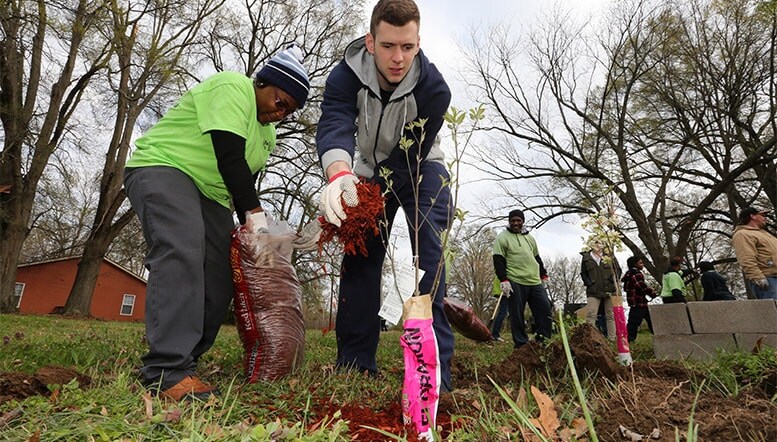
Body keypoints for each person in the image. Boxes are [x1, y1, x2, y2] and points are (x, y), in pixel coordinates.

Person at [123, 45, 310, 401]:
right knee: (183, 248)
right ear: (263, 83)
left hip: (210, 194)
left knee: (224, 273)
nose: (280, 113)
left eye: (290, 112)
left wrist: (263, 239)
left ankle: (186, 360)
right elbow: (229, 158)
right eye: (280, 101)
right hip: (165, 167)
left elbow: (243, 187)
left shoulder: (266, 136)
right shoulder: (232, 88)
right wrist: (255, 215)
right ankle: (166, 371)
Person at [313, 0, 455, 391]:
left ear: (418, 43)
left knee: (427, 257)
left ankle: (434, 371)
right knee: (360, 254)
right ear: (370, 41)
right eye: (389, 46)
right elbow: (335, 122)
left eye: (407, 47)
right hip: (368, 170)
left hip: (420, 167)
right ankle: (355, 361)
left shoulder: (434, 89)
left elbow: (410, 151)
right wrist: (340, 173)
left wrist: (372, 192)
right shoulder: (345, 75)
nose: (398, 58)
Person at [492, 209, 553, 348]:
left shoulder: (529, 238)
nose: (515, 223)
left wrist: (543, 274)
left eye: (518, 220)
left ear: (523, 221)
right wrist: (504, 280)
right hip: (515, 280)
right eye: (513, 220)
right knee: (517, 314)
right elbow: (498, 260)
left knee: (544, 308)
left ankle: (542, 340)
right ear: (509, 221)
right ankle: (521, 343)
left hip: (534, 280)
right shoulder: (502, 238)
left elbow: (536, 257)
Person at [731, 207, 777, 300]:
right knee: (772, 312)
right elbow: (746, 258)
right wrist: (758, 277)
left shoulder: (764, 233)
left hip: (774, 277)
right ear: (753, 216)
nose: (765, 218)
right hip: (767, 278)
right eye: (763, 215)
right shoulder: (743, 234)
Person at [579, 242, 621, 341]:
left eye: (600, 243)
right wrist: (589, 283)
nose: (598, 245)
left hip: (609, 290)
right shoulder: (586, 257)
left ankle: (612, 339)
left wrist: (613, 281)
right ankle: (590, 339)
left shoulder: (609, 256)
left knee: (610, 314)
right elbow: (583, 273)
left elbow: (618, 270)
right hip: (593, 290)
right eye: (595, 242)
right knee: (591, 313)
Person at [621, 256, 656, 342]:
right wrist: (653, 294)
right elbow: (641, 286)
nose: (642, 265)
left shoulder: (629, 275)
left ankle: (656, 334)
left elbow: (626, 288)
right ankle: (630, 339)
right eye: (640, 263)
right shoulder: (636, 274)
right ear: (635, 264)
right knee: (635, 322)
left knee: (647, 319)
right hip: (639, 302)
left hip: (636, 301)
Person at [489, 277, 508, 342]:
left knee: (504, 312)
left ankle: (495, 334)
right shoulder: (502, 270)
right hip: (503, 290)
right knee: (503, 312)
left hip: (504, 289)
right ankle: (495, 334)